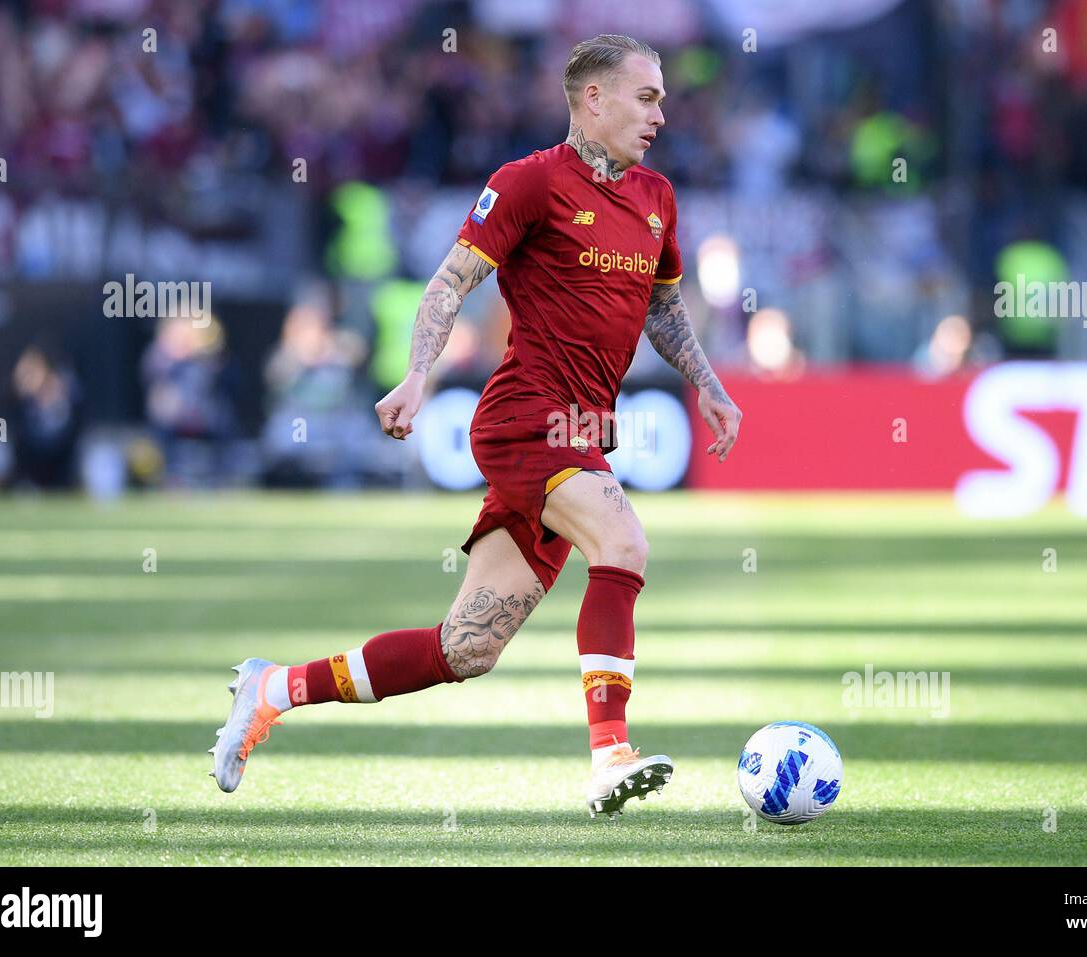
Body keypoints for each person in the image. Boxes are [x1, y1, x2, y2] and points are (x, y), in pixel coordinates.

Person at [210, 35, 742, 818]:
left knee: (465, 649)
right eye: (646, 97)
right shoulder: (528, 183)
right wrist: (419, 375)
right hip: (527, 418)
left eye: (662, 98)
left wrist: (711, 384)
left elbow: (662, 308)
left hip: (584, 432)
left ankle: (273, 687)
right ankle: (609, 756)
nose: (660, 114)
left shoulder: (657, 198)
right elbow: (451, 280)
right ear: (593, 99)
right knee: (624, 543)